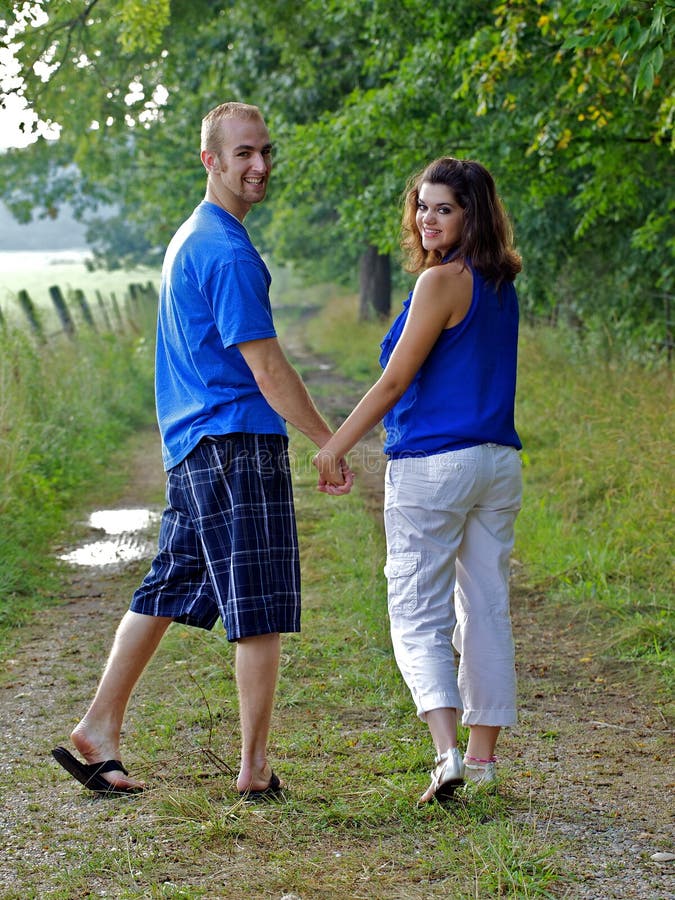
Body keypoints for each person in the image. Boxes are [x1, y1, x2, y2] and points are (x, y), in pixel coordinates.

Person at [52, 101, 352, 798]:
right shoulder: (223, 249)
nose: (259, 165)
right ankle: (252, 770)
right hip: (234, 444)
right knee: (259, 604)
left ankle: (97, 727)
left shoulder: (193, 235)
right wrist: (327, 442)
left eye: (265, 152)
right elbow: (266, 367)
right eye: (243, 153)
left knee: (167, 586)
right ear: (210, 160)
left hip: (194, 445)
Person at [313, 157, 522, 803]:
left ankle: (446, 755)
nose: (427, 219)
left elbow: (395, 381)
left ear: (471, 215)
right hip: (496, 464)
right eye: (422, 207)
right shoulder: (497, 283)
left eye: (443, 209)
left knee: (416, 609)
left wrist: (333, 447)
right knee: (484, 607)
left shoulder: (440, 282)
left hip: (435, 463)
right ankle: (482, 763)